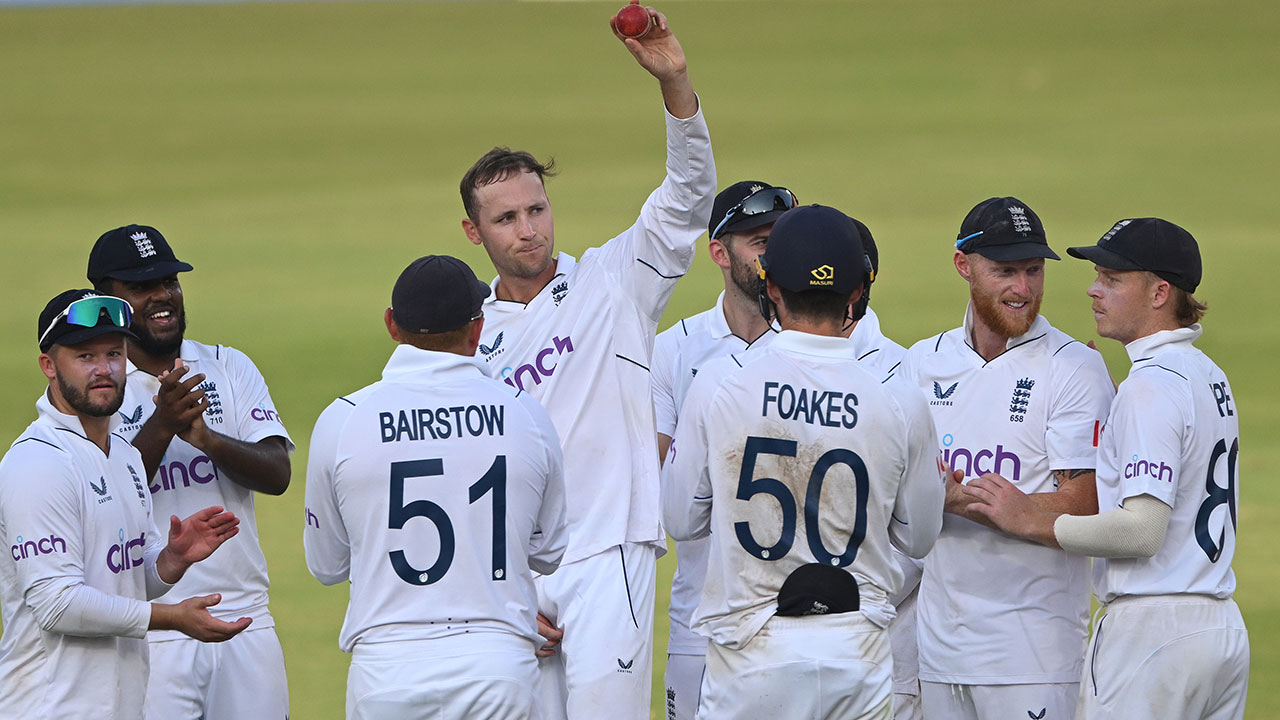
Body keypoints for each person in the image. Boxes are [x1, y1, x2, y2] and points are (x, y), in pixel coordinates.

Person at [457, 7, 714, 719]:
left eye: (536, 210)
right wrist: (496, 590)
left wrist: (676, 84)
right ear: (474, 232)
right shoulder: (469, 337)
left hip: (610, 556)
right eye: (506, 219)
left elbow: (689, 199)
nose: (528, 230)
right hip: (512, 574)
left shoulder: (614, 283)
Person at [663, 205, 944, 719]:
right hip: (855, 655)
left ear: (771, 288)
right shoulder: (900, 398)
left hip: (750, 655)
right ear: (857, 291)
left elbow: (681, 519)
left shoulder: (719, 384)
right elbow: (919, 538)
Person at [965, 218, 1249, 719]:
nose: (1094, 290)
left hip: (1152, 634)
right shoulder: (1205, 373)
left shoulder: (1153, 386)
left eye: (1113, 279)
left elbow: (1141, 532)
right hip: (1220, 630)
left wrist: (1031, 517)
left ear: (1160, 292)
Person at [304, 255, 569, 720]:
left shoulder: (342, 419)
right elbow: (548, 553)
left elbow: (326, 565)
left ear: (392, 324)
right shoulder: (525, 414)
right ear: (478, 329)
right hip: (497, 667)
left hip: (386, 673)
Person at [894, 197, 1114, 719]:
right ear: (963, 266)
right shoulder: (922, 361)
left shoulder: (1073, 368)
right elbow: (888, 491)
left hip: (1033, 657)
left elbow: (1088, 503)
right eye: (1005, 271)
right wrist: (932, 499)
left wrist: (1008, 508)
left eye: (1033, 271)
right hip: (939, 653)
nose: (1023, 289)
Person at [0, 290, 249, 720]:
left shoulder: (124, 454)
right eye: (84, 356)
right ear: (49, 366)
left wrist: (171, 559)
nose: (104, 370)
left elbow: (126, 580)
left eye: (114, 353)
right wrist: (171, 617)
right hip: (50, 708)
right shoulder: (38, 462)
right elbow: (56, 603)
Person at [87, 225, 294, 720]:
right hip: (154, 628)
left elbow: (277, 474)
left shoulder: (229, 367)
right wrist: (163, 426)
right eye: (142, 287)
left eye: (170, 281)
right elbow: (103, 493)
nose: (163, 296)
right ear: (107, 301)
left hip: (246, 617)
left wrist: (205, 438)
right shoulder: (96, 388)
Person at [651, 180, 791, 720]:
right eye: (760, 241)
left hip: (797, 618)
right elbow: (666, 499)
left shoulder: (824, 347)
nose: (775, 255)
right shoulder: (673, 351)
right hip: (700, 619)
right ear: (718, 252)